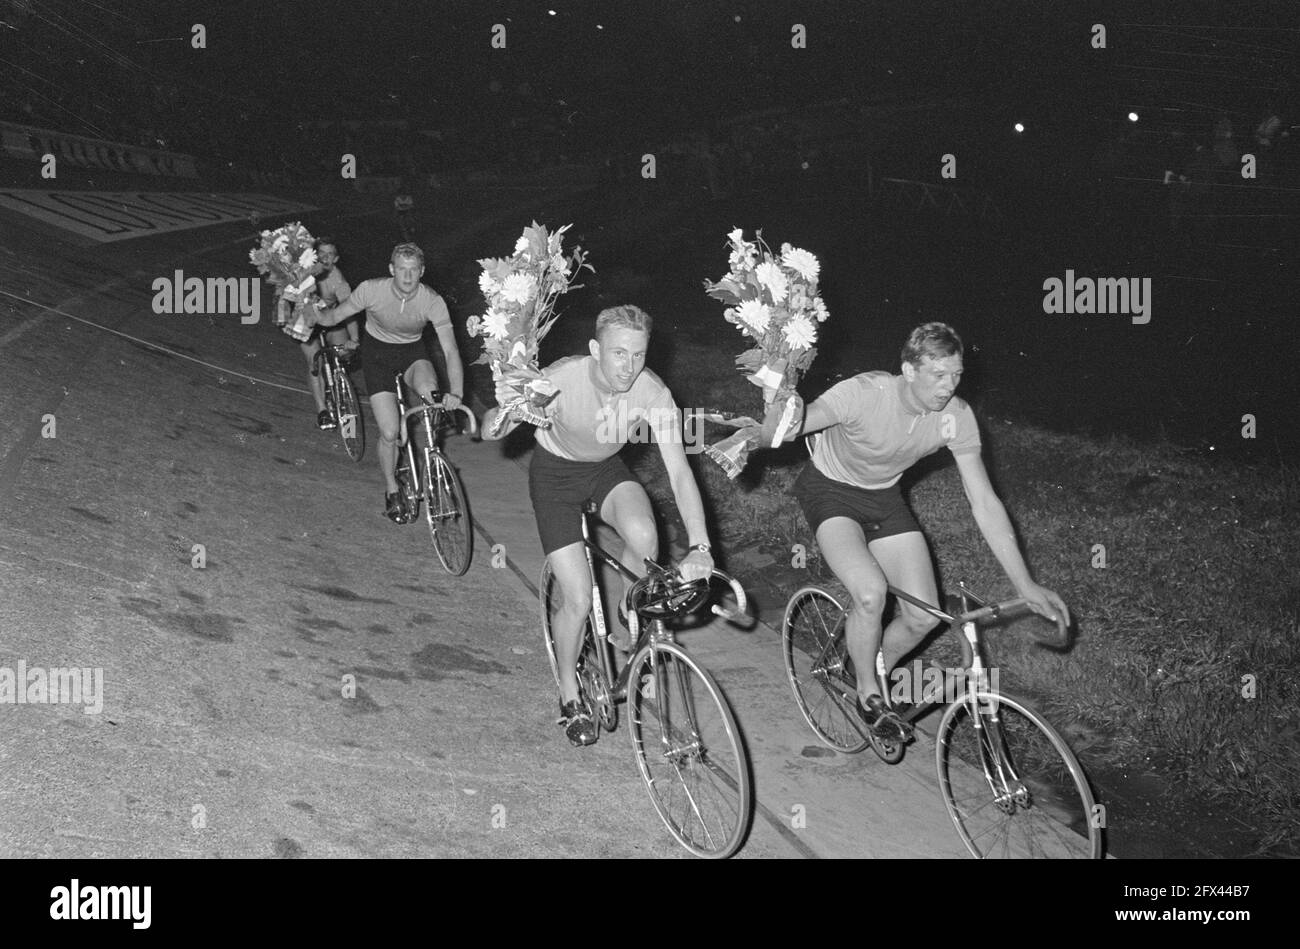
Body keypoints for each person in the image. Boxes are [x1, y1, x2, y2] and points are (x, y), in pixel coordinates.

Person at [771, 322, 1070, 742]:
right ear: (909, 370)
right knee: (871, 593)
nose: (949, 386)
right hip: (830, 492)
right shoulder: (864, 393)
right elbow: (789, 427)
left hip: (883, 498)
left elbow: (984, 501)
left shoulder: (957, 418)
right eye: (938, 375)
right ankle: (869, 695)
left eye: (956, 374)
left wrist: (1025, 584)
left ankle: (869, 666)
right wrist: (777, 390)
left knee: (924, 615)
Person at [484, 305, 716, 747]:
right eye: (618, 354)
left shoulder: (652, 390)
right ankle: (569, 692)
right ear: (595, 350)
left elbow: (682, 473)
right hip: (554, 476)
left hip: (605, 469)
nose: (629, 367)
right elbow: (491, 432)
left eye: (639, 355)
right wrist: (512, 405)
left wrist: (701, 546)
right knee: (575, 598)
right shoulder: (562, 377)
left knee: (646, 536)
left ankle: (630, 617)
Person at [304, 242, 465, 522]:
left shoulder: (432, 301)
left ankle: (434, 462)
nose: (407, 276)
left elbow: (451, 350)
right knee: (390, 432)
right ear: (391, 269)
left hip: (413, 354)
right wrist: (313, 314)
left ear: (422, 272)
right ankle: (392, 488)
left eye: (413, 270)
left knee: (431, 393)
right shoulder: (371, 289)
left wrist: (457, 393)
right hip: (377, 356)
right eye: (401, 269)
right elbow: (335, 317)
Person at [302, 238, 358, 430]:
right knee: (314, 362)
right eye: (322, 254)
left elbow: (349, 312)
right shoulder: (304, 272)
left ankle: (342, 393)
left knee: (342, 354)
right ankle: (322, 411)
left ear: (336, 259)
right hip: (308, 319)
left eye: (330, 254)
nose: (325, 258)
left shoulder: (339, 280)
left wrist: (354, 340)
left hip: (332, 317)